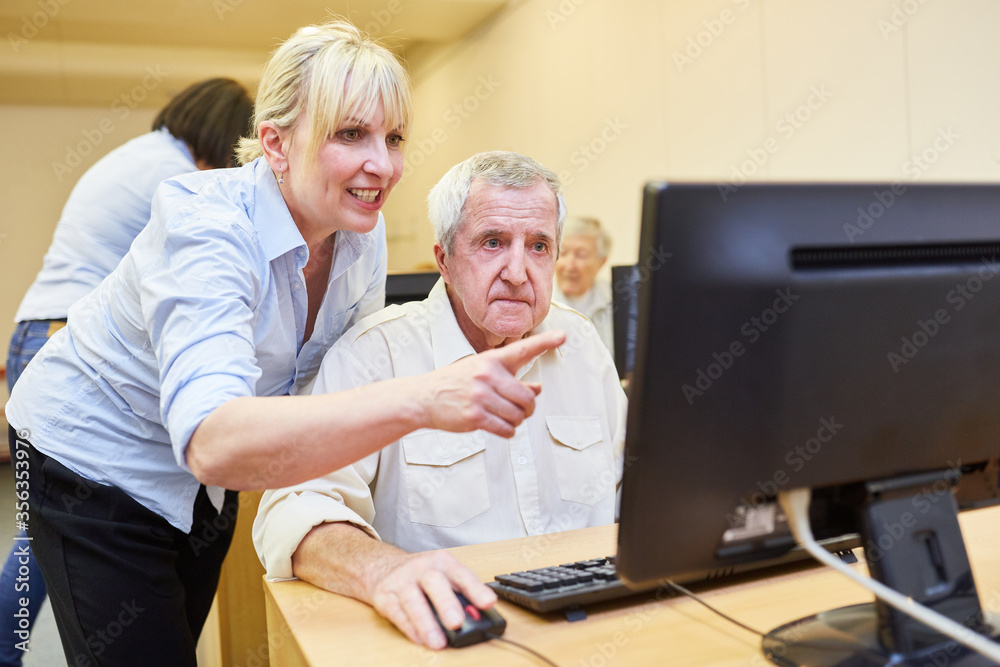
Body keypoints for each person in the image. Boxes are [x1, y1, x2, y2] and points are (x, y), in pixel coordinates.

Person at [5, 21, 563, 667]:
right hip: (92, 457)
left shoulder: (362, 237)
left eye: (394, 137)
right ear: (274, 142)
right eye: (351, 134)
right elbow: (214, 439)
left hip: (202, 479)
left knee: (175, 637)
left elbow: (334, 391)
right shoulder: (205, 224)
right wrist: (425, 396)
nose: (381, 165)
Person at [253, 151, 627, 651]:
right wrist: (383, 571)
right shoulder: (375, 357)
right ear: (445, 260)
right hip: (453, 636)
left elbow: (635, 489)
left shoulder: (581, 346)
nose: (518, 271)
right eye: (492, 243)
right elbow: (291, 509)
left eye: (538, 246)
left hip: (595, 631)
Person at [0, 76, 253, 667]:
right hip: (61, 338)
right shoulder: (176, 179)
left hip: (39, 329)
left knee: (42, 534)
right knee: (53, 535)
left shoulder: (141, 156)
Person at [553, 216, 615, 354]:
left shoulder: (617, 299)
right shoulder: (541, 303)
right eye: (562, 253)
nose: (569, 265)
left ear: (601, 262)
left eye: (581, 255)